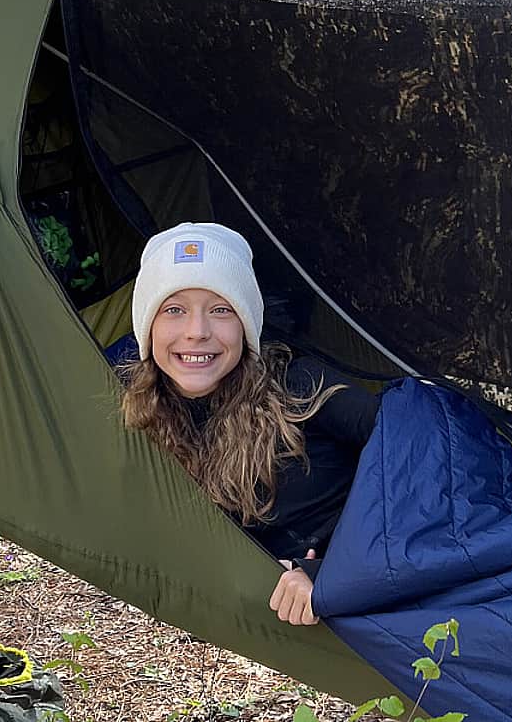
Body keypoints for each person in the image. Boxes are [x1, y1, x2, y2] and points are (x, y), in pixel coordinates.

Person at [119, 222, 379, 627]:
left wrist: (341, 570)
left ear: (247, 326)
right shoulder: (140, 414)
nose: (197, 332)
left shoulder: (301, 388)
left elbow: (415, 458)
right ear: (147, 329)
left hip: (373, 571)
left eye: (221, 309)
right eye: (174, 310)